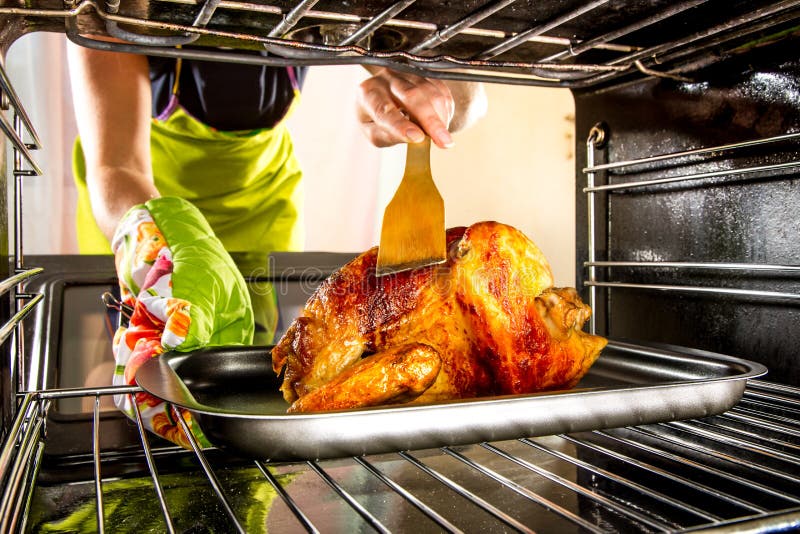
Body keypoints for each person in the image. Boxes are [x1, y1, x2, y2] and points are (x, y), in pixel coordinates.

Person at [66, 42, 487, 444]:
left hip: (261, 205)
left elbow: (473, 98)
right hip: (146, 212)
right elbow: (115, 164)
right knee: (130, 379)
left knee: (253, 381)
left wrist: (429, 93)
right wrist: (160, 241)